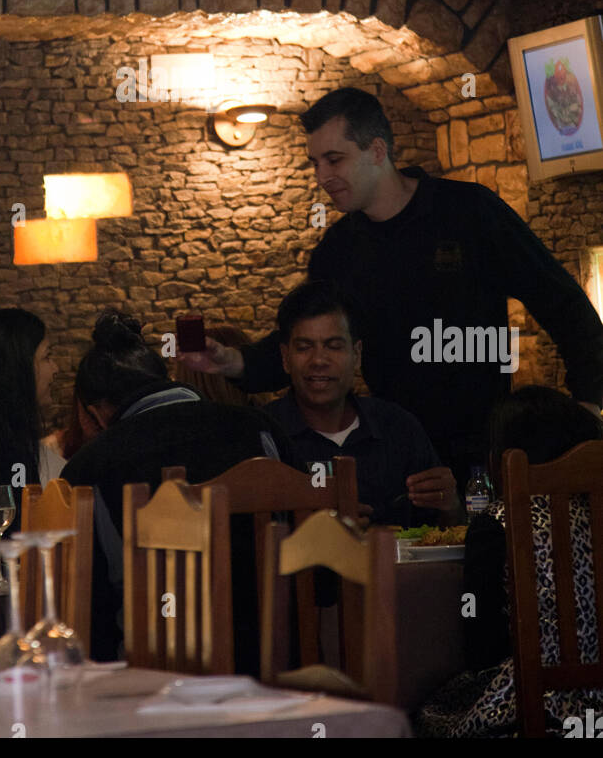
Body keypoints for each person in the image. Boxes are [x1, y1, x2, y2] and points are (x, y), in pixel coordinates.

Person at [180, 87, 603, 489]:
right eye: (315, 163)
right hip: (396, 456)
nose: (322, 176)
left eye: (334, 160)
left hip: (486, 450)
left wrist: (587, 406)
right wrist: (235, 361)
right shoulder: (339, 249)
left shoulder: (468, 212)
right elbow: (309, 342)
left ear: (377, 151)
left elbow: (564, 305)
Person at [60, 309, 292, 668]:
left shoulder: (90, 467)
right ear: (163, 377)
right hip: (278, 660)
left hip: (158, 677)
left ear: (98, 412)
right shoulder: (259, 428)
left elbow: (92, 609)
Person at [415, 386, 603, 737]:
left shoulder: (499, 522)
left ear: (506, 458)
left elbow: (481, 644)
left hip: (533, 707)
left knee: (426, 712)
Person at [264, 280, 461, 526]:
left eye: (333, 346)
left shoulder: (398, 428)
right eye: (305, 348)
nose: (319, 360)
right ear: (285, 358)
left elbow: (448, 532)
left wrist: (450, 505)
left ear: (356, 355)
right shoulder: (264, 436)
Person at [0, 308, 65, 489]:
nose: (55, 368)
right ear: (16, 367)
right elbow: (18, 505)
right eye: (47, 357)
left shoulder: (14, 439)